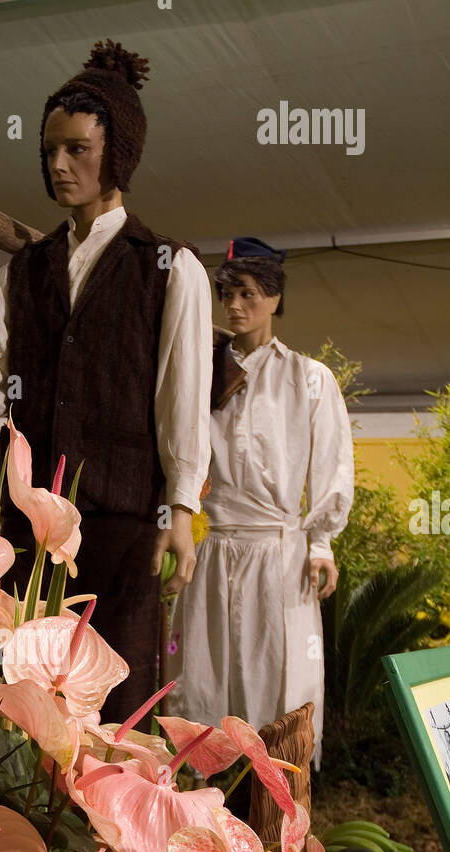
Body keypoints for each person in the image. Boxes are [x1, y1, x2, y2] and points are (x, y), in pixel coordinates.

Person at [0, 39, 212, 725]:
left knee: (119, 692)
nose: (59, 165)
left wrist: (179, 511)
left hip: (124, 519)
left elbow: (179, 400)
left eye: (77, 149)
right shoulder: (25, 270)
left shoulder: (168, 268)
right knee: (30, 694)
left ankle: (111, 830)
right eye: (49, 151)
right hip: (29, 526)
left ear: (117, 154)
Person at [164, 237, 355, 769]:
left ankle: (280, 812)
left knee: (281, 676)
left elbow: (331, 466)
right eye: (227, 293)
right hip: (214, 547)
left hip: (279, 552)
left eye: (248, 293)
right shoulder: (202, 376)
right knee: (205, 674)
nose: (235, 305)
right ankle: (204, 804)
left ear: (274, 299)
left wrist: (321, 544)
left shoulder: (309, 380)